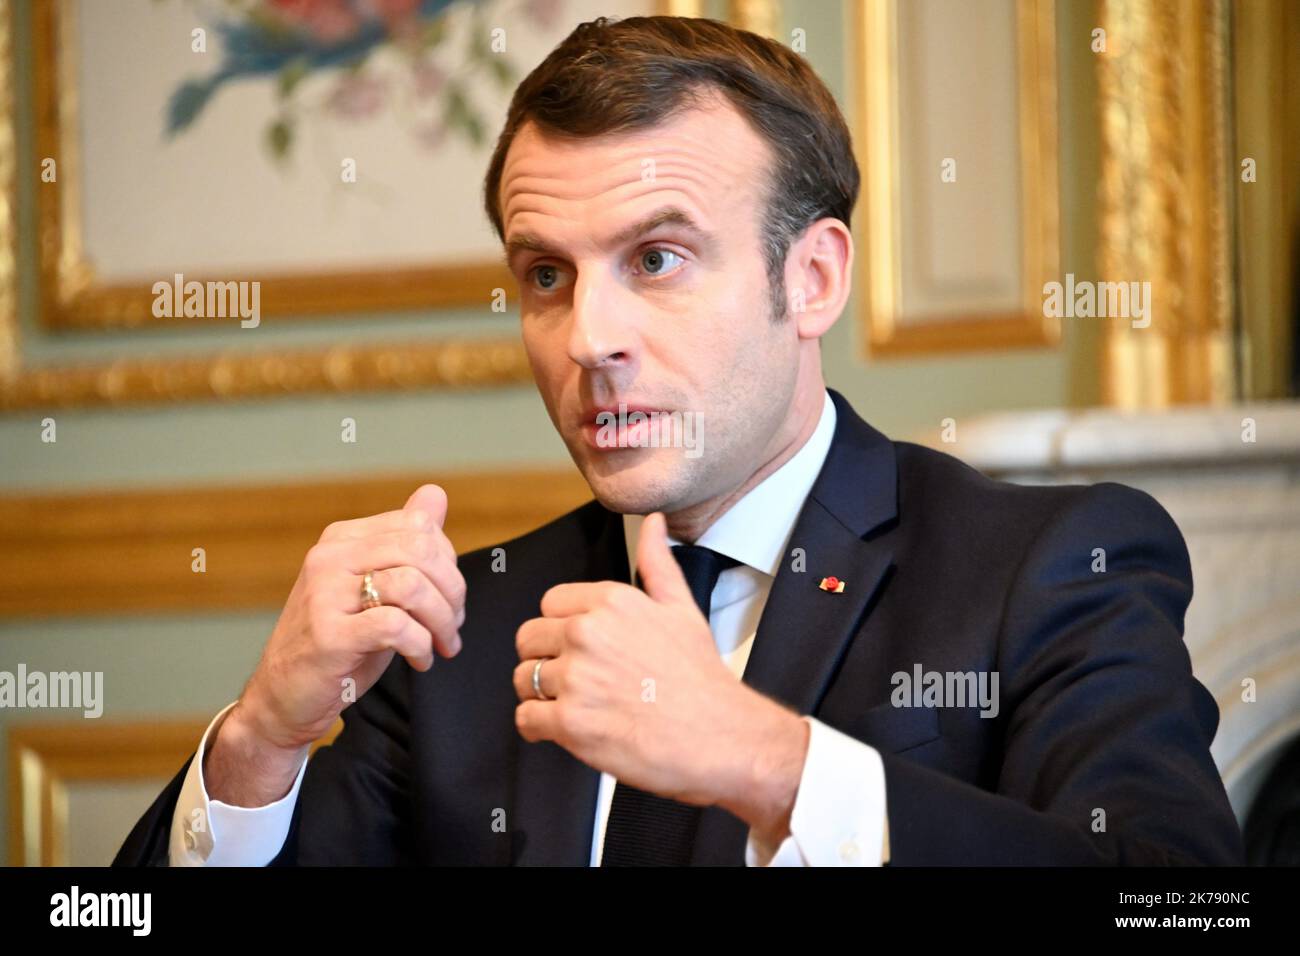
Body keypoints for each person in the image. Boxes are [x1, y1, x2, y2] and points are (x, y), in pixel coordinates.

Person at [114, 15, 1243, 867]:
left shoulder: (1051, 564)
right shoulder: (459, 626)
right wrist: (260, 736)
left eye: (655, 258)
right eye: (545, 274)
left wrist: (768, 763)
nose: (587, 337)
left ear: (811, 279)